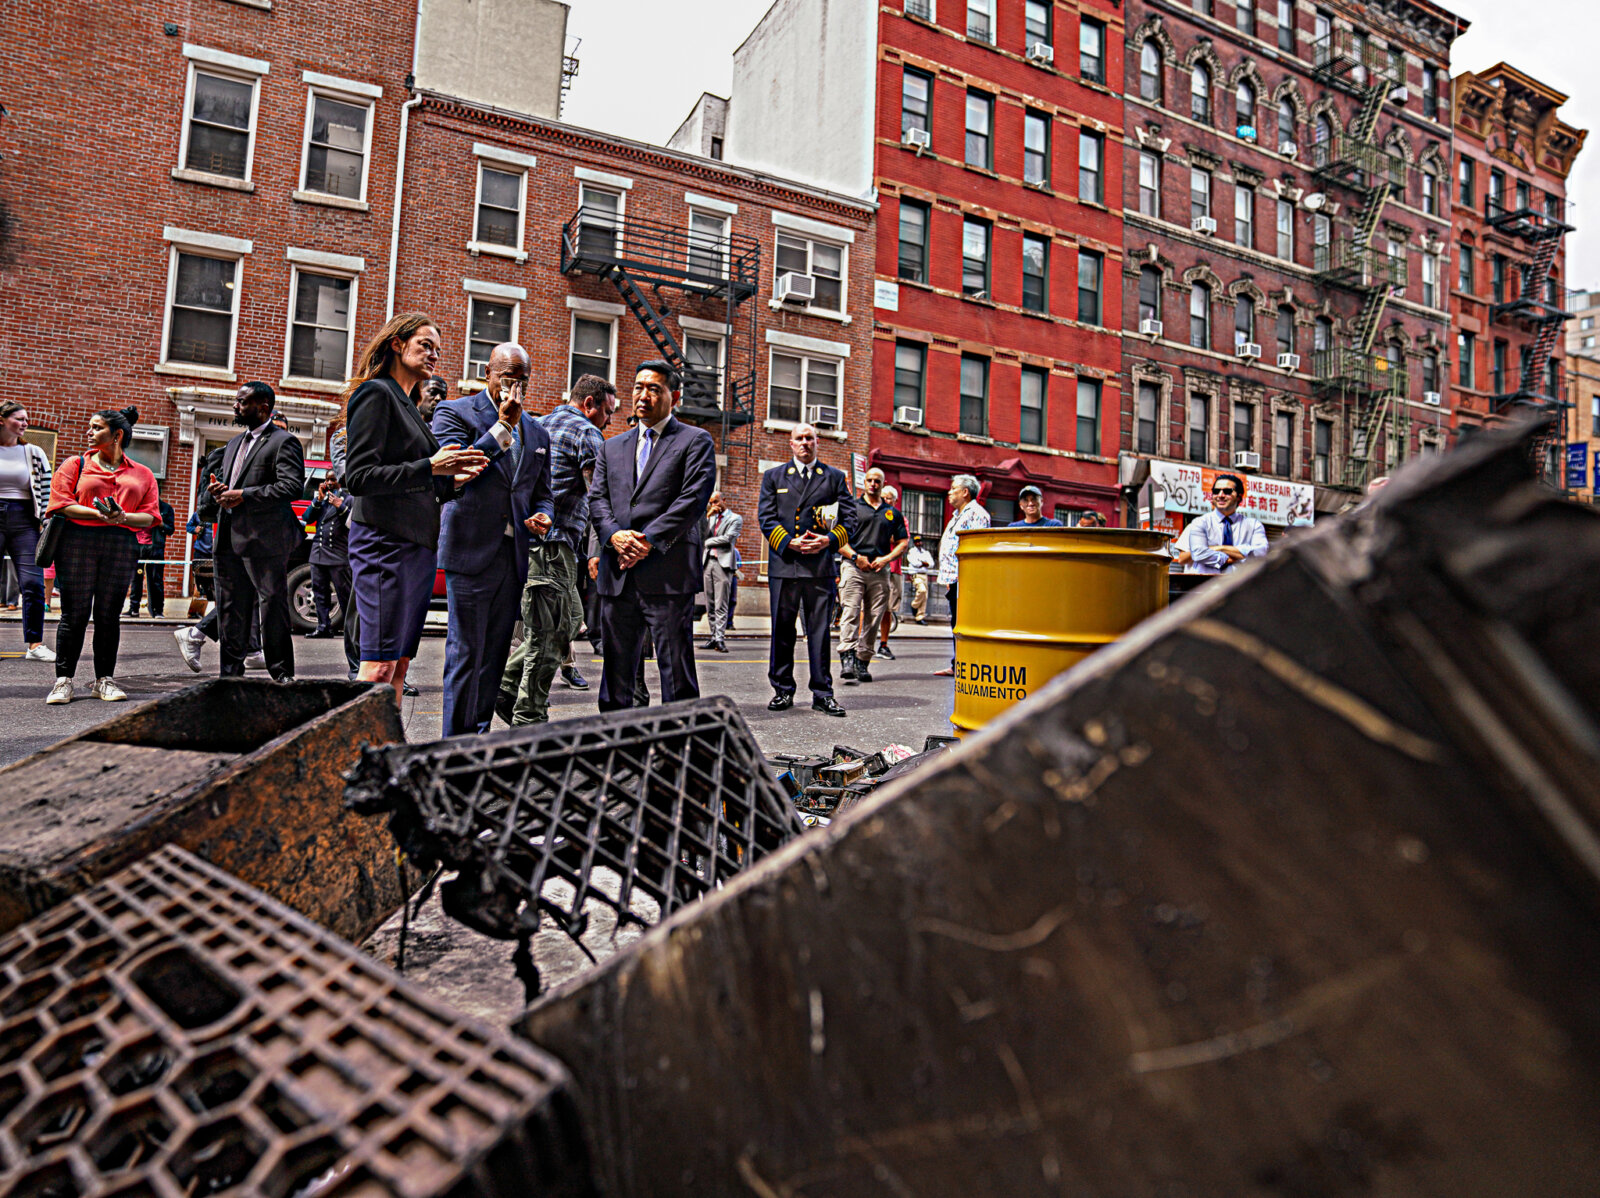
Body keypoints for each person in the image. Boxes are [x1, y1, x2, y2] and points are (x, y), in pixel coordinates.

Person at [344, 313, 488, 703]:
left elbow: (418, 481)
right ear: (396, 344)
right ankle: (354, 753)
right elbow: (358, 477)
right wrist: (431, 466)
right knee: (377, 667)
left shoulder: (408, 404)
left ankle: (386, 753)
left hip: (418, 547)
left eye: (438, 350)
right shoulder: (375, 393)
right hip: (383, 545)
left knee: (399, 665)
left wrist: (453, 479)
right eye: (425, 344)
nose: (434, 355)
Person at [433, 344, 554, 736]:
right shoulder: (455, 412)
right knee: (466, 652)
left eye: (522, 379)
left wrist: (545, 515)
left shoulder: (537, 431)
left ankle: (479, 742)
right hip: (470, 550)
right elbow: (457, 469)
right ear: (488, 372)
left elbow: (543, 491)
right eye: (507, 376)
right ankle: (454, 747)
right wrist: (502, 426)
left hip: (513, 555)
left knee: (495, 655)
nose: (514, 385)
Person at [589, 360, 717, 712]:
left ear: (673, 396)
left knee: (675, 672)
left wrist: (646, 542)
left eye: (654, 389)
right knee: (616, 674)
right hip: (619, 576)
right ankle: (616, 745)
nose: (643, 396)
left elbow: (692, 499)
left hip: (668, 574)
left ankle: (679, 751)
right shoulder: (610, 447)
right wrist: (615, 537)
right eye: (638, 387)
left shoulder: (695, 440)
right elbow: (598, 499)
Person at [500, 372, 617, 723]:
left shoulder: (537, 423)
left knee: (570, 622)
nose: (609, 420)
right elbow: (599, 495)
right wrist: (613, 538)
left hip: (533, 546)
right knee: (547, 637)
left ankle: (504, 684)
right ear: (589, 404)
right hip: (554, 547)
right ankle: (529, 717)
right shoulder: (586, 431)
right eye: (607, 411)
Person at [44, 407, 160, 703]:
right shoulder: (76, 464)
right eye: (90, 427)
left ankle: (104, 680)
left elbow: (149, 517)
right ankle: (63, 680)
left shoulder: (143, 474)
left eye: (96, 428)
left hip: (122, 543)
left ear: (116, 436)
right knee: (75, 612)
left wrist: (122, 517)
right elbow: (60, 504)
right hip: (77, 541)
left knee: (109, 615)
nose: (89, 432)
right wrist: (100, 513)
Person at [758, 424, 857, 717]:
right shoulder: (774, 476)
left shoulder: (834, 478)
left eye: (810, 439)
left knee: (819, 632)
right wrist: (790, 542)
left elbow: (850, 519)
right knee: (782, 630)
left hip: (819, 567)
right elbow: (766, 517)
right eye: (799, 439)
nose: (805, 443)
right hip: (785, 566)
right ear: (791, 443)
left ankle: (822, 693)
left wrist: (828, 540)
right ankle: (782, 690)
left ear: (818, 443)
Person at [209, 385, 305, 682]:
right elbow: (231, 484)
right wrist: (220, 491)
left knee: (272, 605)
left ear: (263, 406)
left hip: (264, 539)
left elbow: (291, 487)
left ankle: (281, 674)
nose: (235, 406)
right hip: (227, 537)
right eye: (236, 401)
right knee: (229, 608)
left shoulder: (283, 441)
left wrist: (245, 495)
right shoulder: (234, 443)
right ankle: (230, 676)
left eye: (242, 401)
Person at [837, 467, 907, 685]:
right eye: (869, 480)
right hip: (854, 567)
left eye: (877, 481)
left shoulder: (892, 513)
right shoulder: (851, 508)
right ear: (864, 482)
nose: (873, 484)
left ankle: (862, 661)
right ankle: (847, 658)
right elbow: (837, 538)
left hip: (879, 571)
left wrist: (887, 559)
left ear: (882, 483)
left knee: (874, 617)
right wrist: (855, 556)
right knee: (850, 611)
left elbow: (903, 541)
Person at [0, 401, 55, 661]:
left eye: (26, 420)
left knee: (33, 582)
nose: (24, 424)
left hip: (25, 519)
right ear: (2, 419)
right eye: (19, 419)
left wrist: (44, 520)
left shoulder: (34, 452)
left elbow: (46, 489)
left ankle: (34, 644)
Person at [302, 476, 358, 685]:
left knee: (344, 594)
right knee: (319, 591)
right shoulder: (321, 499)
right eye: (326, 480)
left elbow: (352, 523)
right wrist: (318, 499)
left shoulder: (348, 499)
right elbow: (308, 518)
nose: (329, 482)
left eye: (332, 479)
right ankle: (323, 625)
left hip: (338, 554)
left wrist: (339, 505)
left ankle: (348, 628)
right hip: (318, 551)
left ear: (339, 482)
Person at [933, 474, 989, 678]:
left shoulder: (976, 514)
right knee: (957, 624)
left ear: (965, 492)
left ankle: (966, 666)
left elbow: (975, 549)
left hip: (965, 581)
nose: (949, 492)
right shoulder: (959, 514)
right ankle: (958, 665)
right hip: (955, 581)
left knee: (963, 624)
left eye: (953, 488)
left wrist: (962, 579)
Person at [1184, 473, 1267, 574]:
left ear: (1239, 497)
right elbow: (1198, 554)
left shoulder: (1254, 526)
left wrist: (1218, 548)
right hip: (1205, 585)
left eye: (1227, 491)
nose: (1220, 495)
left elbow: (1260, 554)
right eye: (1216, 491)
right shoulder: (1200, 522)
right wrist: (1243, 553)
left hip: (1240, 585)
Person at [700, 492, 742, 653]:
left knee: (721, 604)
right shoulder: (710, 518)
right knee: (710, 604)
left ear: (724, 500)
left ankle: (720, 638)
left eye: (716, 502)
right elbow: (701, 534)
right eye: (711, 503)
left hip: (723, 564)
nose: (714, 505)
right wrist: (707, 516)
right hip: (707, 563)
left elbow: (728, 539)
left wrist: (706, 542)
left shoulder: (735, 518)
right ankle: (712, 637)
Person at [127, 482, 175, 617]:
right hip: (138, 546)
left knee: (155, 579)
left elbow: (170, 530)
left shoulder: (166, 509)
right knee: (136, 578)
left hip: (155, 548)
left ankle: (157, 610)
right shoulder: (138, 507)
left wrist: (160, 523)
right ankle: (133, 609)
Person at [875, 484, 903, 660]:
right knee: (866, 608)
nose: (885, 500)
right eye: (883, 497)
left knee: (888, 609)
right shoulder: (874, 515)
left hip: (893, 569)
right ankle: (859, 645)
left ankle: (883, 644)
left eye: (889, 498)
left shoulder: (898, 518)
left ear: (894, 501)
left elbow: (900, 540)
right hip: (874, 568)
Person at [904, 534, 934, 624]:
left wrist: (923, 563)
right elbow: (914, 563)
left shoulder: (926, 553)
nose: (919, 543)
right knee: (922, 590)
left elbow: (931, 564)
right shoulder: (912, 551)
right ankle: (914, 605)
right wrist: (924, 563)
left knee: (925, 597)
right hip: (916, 575)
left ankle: (920, 617)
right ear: (914, 543)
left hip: (924, 575)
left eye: (920, 541)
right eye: (917, 542)